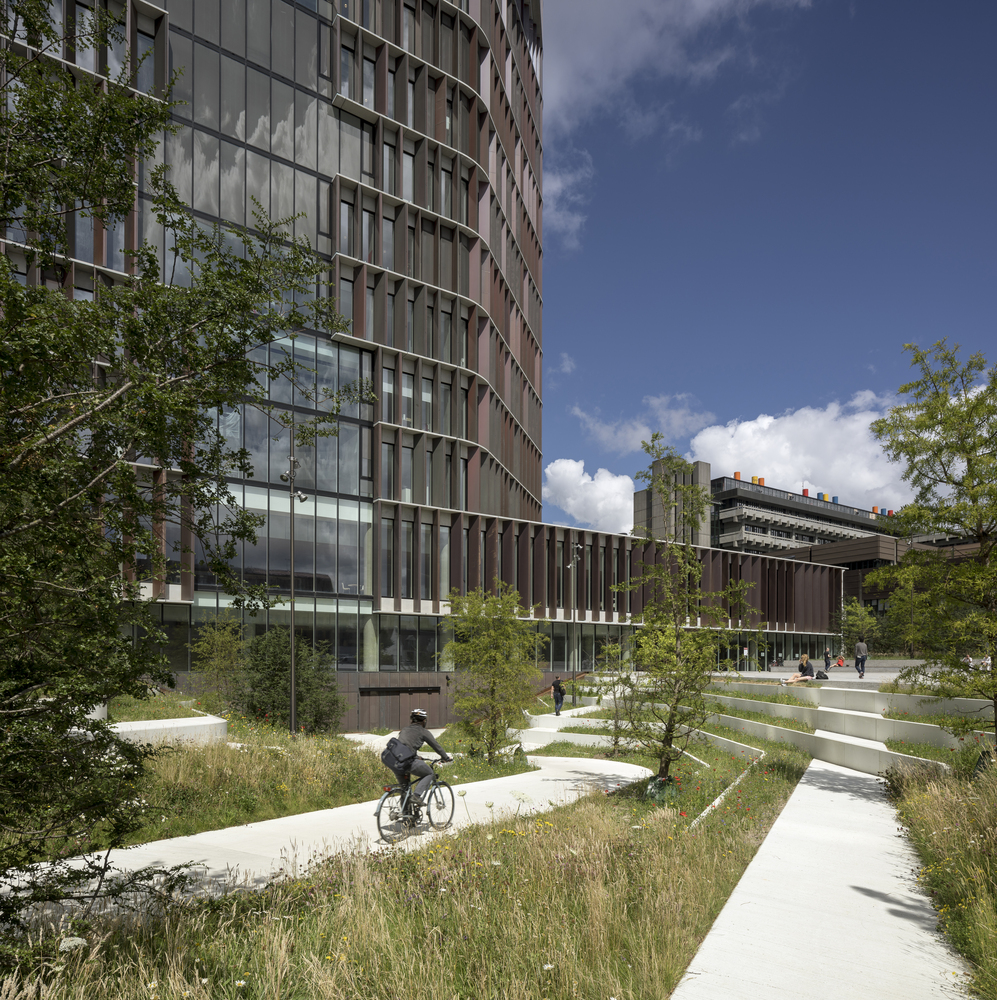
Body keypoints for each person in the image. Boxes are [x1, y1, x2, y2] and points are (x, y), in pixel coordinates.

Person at [388, 709, 452, 809]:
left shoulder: (404, 730)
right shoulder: (423, 731)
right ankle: (417, 796)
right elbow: (436, 746)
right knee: (429, 773)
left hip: (395, 762)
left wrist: (417, 757)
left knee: (405, 789)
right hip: (408, 762)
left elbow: (404, 747)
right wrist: (446, 757)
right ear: (424, 721)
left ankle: (407, 818)